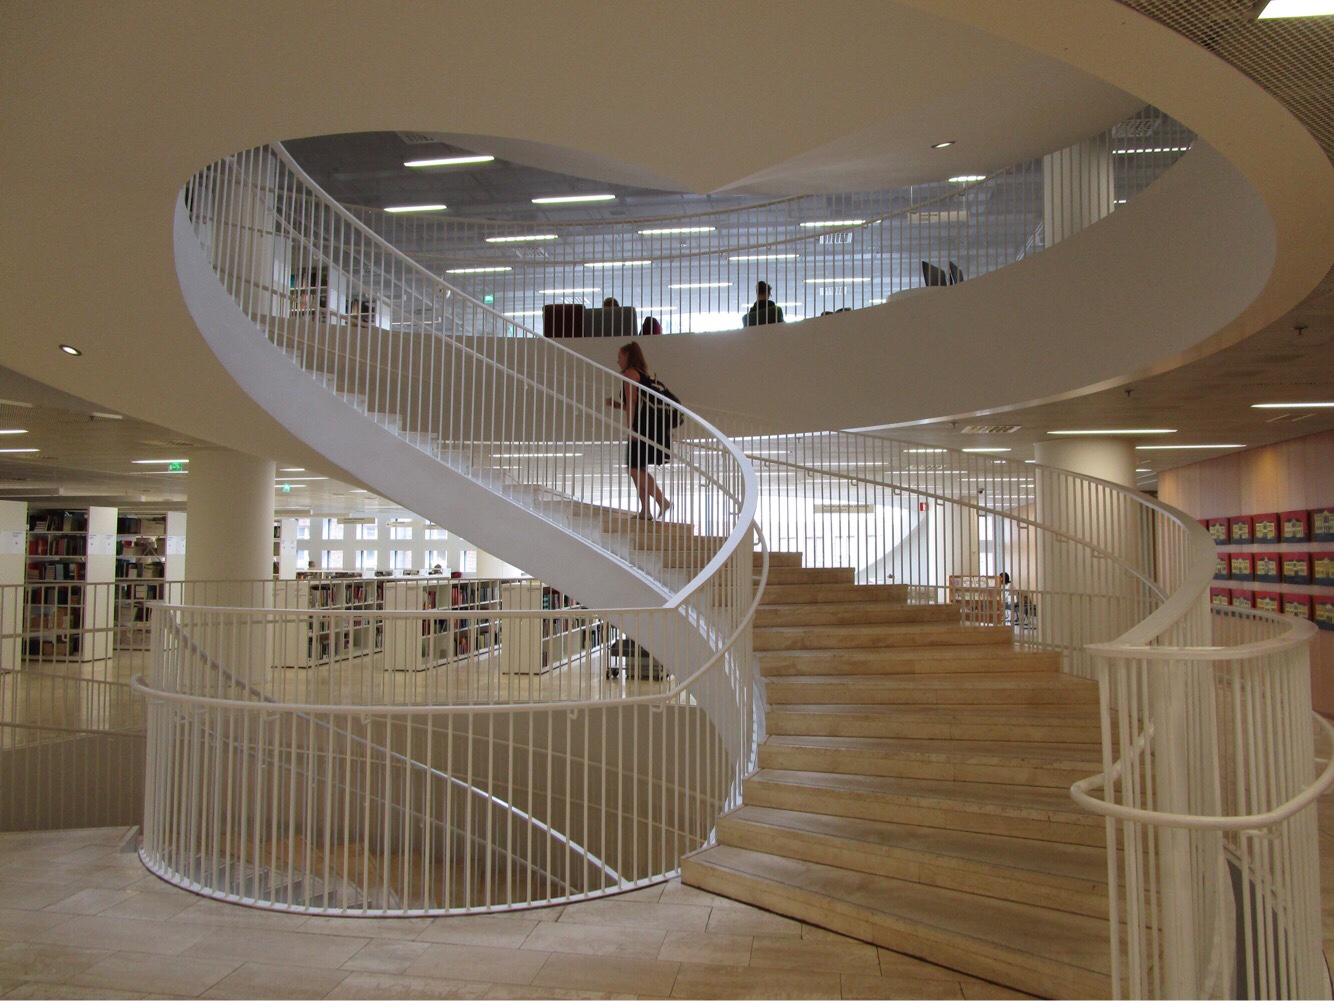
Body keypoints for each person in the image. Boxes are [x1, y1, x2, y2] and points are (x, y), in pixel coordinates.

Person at [605, 342, 671, 520]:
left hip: (641, 428)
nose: (618, 360)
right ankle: (646, 511)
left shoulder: (630, 374)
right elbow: (634, 404)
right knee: (637, 468)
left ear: (628, 356)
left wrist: (631, 429)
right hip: (648, 427)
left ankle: (662, 501)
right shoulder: (642, 375)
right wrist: (617, 405)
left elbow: (633, 403)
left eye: (620, 356)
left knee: (634, 470)